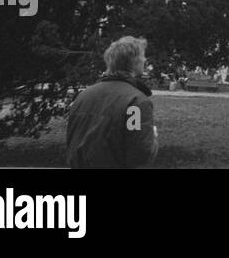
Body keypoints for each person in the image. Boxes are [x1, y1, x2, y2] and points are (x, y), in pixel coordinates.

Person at [66, 36, 159, 169]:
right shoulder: (136, 103)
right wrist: (152, 139)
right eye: (143, 56)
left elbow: (72, 143)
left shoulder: (83, 97)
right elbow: (140, 154)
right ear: (134, 62)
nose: (145, 60)